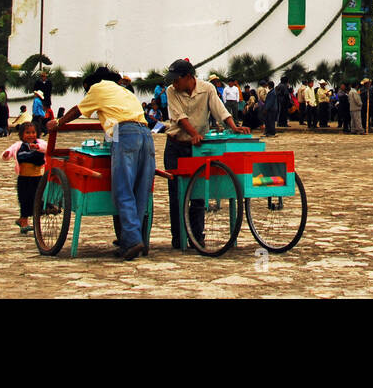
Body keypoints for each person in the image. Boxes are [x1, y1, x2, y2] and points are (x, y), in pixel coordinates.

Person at [48, 67, 154, 261]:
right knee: (140, 191)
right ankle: (133, 238)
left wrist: (58, 123)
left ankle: (131, 240)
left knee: (123, 189)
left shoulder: (98, 88)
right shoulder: (124, 90)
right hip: (146, 134)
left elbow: (76, 111)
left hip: (124, 133)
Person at [163, 59, 250, 251]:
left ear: (188, 77)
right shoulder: (171, 91)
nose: (174, 84)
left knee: (198, 193)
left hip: (196, 148)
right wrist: (194, 134)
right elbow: (180, 117)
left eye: (176, 79)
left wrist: (234, 127)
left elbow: (220, 110)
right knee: (177, 194)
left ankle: (197, 237)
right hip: (176, 146)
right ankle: (179, 238)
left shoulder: (207, 89)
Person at [2, 122, 47, 234]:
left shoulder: (40, 143)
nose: (31, 135)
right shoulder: (18, 145)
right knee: (25, 200)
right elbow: (10, 151)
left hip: (37, 177)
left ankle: (44, 208)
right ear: (21, 135)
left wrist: (37, 147)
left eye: (33, 132)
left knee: (38, 196)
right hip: (24, 178)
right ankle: (24, 221)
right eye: (27, 133)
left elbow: (46, 148)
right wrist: (6, 154)